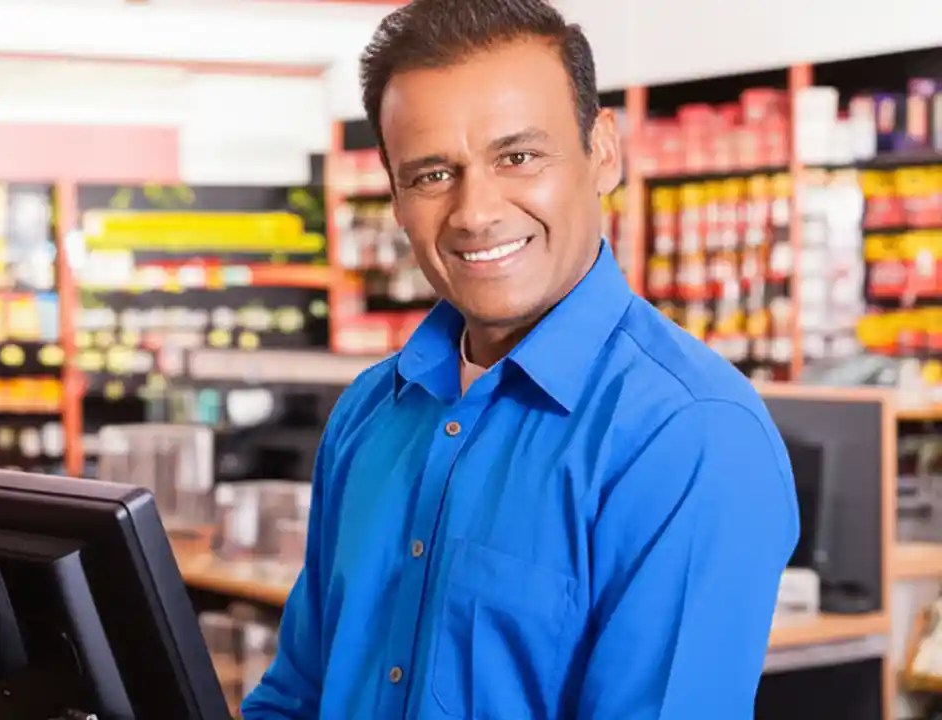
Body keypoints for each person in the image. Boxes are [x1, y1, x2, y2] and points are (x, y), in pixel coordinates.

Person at [240, 0, 800, 718]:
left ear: (603, 152)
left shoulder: (692, 436)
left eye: (518, 157)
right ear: (396, 198)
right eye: (432, 174)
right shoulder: (369, 413)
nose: (475, 212)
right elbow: (296, 696)